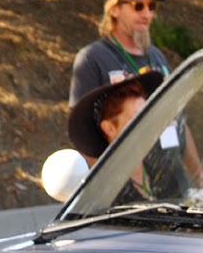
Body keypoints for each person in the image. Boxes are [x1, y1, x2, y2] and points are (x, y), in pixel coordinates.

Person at [69, 0, 172, 107]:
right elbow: (80, 125)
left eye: (152, 6)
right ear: (114, 9)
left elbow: (178, 116)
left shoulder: (157, 57)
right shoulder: (92, 58)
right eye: (138, 5)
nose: (147, 14)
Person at [67, 71, 171, 201]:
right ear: (109, 128)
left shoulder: (159, 167)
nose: (148, 125)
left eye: (148, 114)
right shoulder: (103, 189)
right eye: (137, 119)